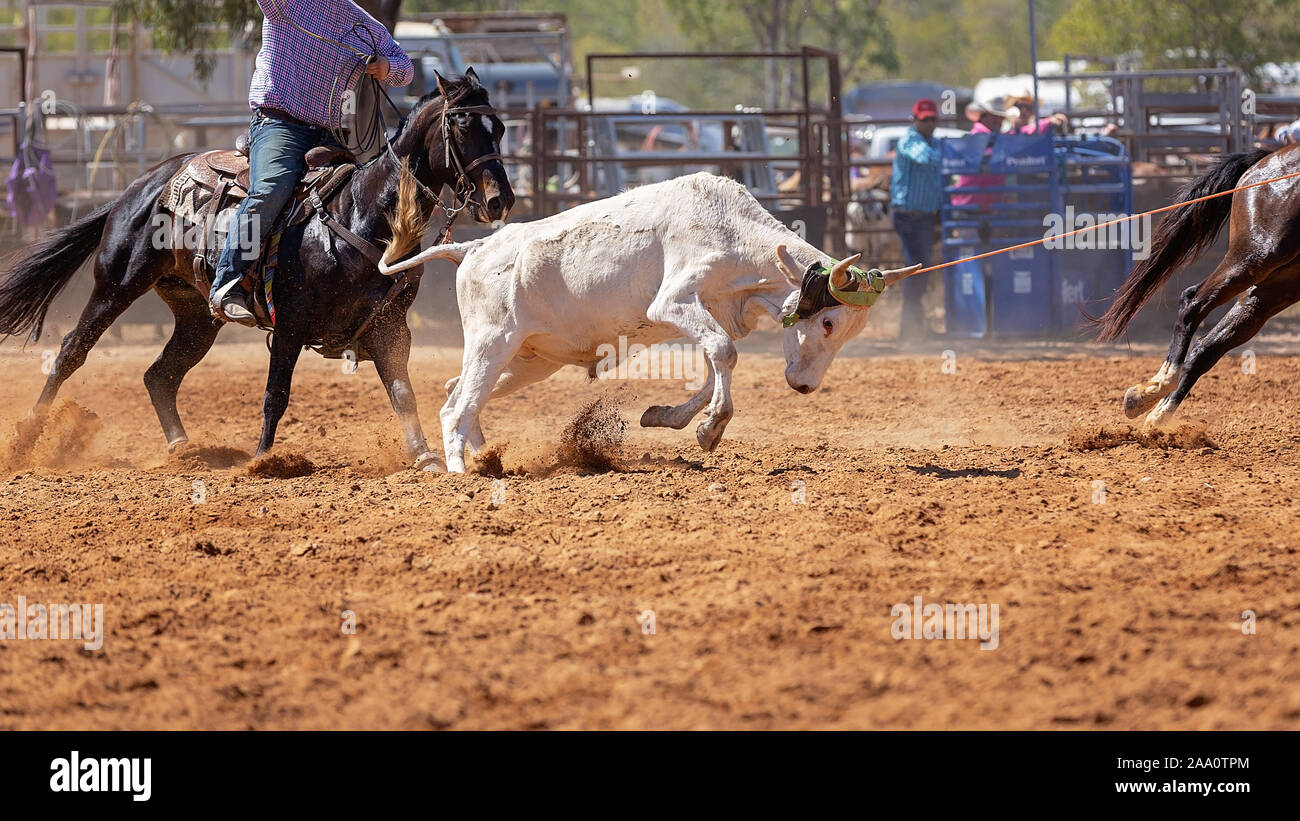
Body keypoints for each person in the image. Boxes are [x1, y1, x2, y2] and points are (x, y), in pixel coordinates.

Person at [210, 0, 414, 325]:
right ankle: (228, 283)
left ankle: (342, 303)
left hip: (331, 136)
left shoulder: (362, 24)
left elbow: (405, 67)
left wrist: (386, 68)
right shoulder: (286, 5)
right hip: (279, 124)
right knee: (271, 189)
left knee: (355, 205)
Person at [890, 98, 943, 339]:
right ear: (915, 120)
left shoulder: (932, 143)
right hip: (909, 217)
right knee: (917, 269)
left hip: (924, 217)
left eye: (933, 119)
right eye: (925, 119)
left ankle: (915, 325)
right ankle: (909, 329)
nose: (930, 123)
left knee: (922, 269)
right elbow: (926, 158)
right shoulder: (910, 141)